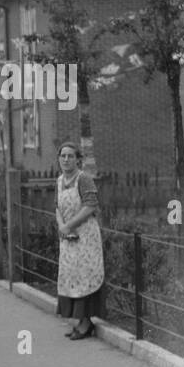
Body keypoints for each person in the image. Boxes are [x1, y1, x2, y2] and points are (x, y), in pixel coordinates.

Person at [55, 141, 104, 340]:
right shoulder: (59, 181)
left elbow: (91, 205)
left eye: (70, 156)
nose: (66, 160)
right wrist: (61, 226)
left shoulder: (84, 179)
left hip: (86, 236)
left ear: (78, 160)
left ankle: (86, 323)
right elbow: (57, 207)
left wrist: (70, 225)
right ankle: (79, 322)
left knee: (85, 274)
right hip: (68, 237)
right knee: (71, 275)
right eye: (63, 156)